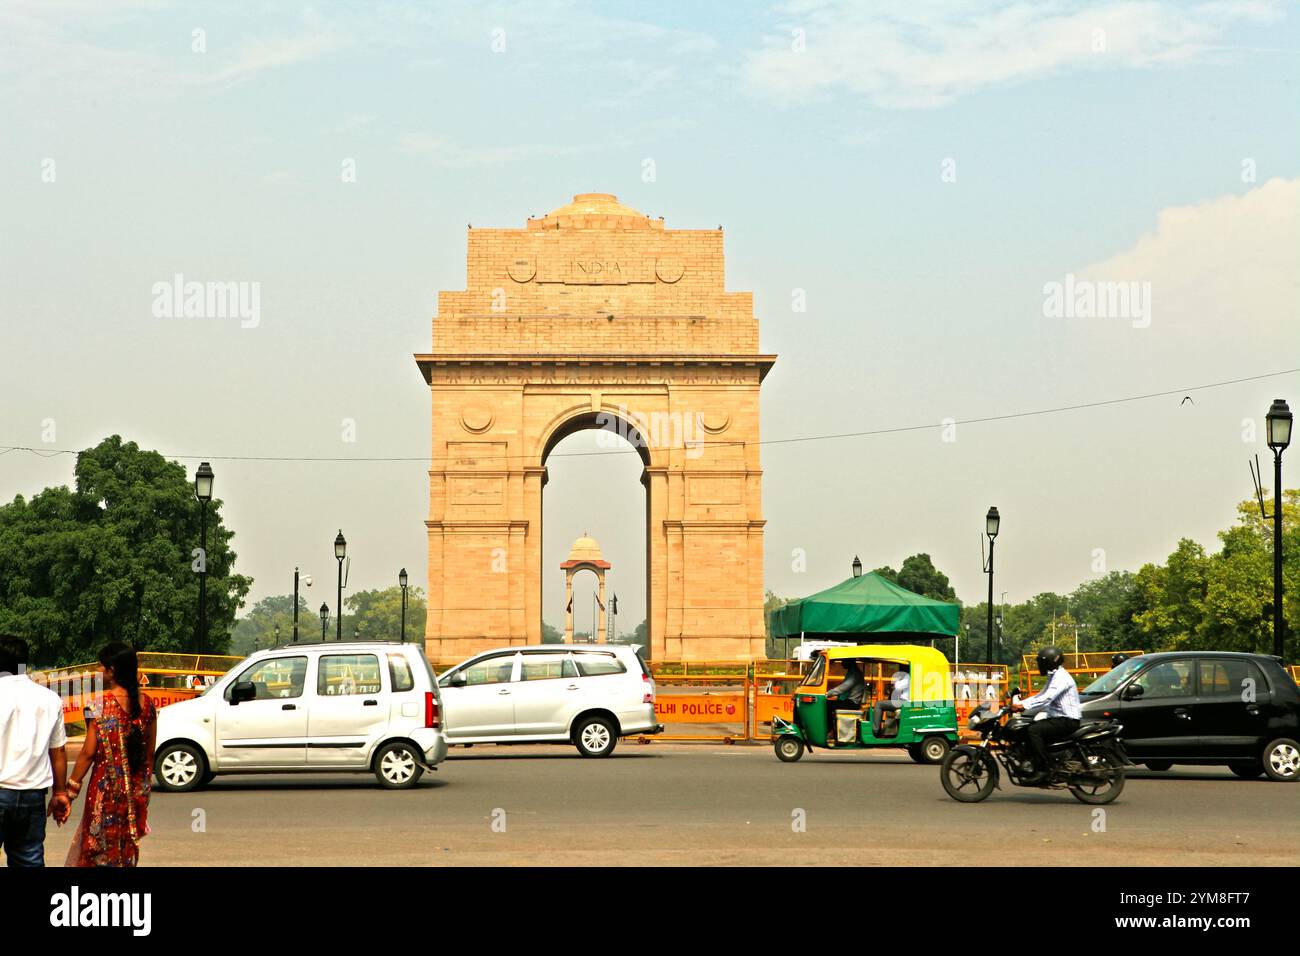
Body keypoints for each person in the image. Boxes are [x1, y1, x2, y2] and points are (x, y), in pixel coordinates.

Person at [65, 643, 157, 867]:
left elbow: (88, 753)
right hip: (135, 791)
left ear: (111, 671)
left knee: (97, 848)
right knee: (125, 846)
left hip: (104, 791)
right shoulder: (148, 705)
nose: (96, 670)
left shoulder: (97, 705)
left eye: (100, 666)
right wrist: (142, 790)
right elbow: (149, 753)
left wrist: (70, 790)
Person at [0, 637, 72, 866]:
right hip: (32, 797)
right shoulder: (49, 699)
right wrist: (60, 793)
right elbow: (58, 751)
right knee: (29, 859)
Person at [1011, 646, 1081, 784]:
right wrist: (1020, 704)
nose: (1040, 666)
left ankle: (1043, 769)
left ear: (1051, 662)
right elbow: (1041, 694)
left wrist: (1023, 706)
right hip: (1058, 718)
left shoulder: (1061, 677)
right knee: (1027, 727)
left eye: (1042, 663)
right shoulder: (1054, 676)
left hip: (1067, 720)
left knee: (1034, 731)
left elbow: (1047, 698)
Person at [873, 665, 910, 737]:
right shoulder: (907, 676)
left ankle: (875, 731)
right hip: (902, 700)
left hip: (904, 702)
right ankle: (885, 731)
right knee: (885, 703)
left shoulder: (908, 677)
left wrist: (897, 680)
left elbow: (897, 686)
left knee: (878, 704)